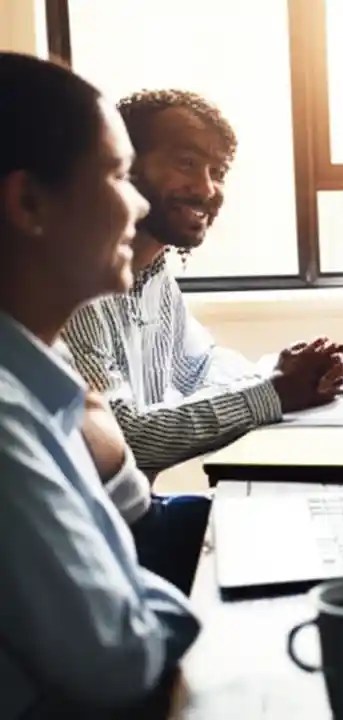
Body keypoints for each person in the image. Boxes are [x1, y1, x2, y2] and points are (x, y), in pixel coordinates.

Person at [59, 89, 343, 592]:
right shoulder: (78, 283)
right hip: (94, 550)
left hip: (137, 521)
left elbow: (200, 367)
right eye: (188, 163)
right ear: (123, 166)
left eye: (217, 173)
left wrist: (287, 372)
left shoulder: (156, 276)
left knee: (319, 530)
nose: (207, 189)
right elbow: (128, 437)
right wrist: (274, 393)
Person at [0, 52, 198, 717]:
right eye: (118, 174)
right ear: (29, 202)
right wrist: (176, 603)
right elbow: (118, 660)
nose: (139, 203)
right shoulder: (5, 427)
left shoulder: (40, 380)